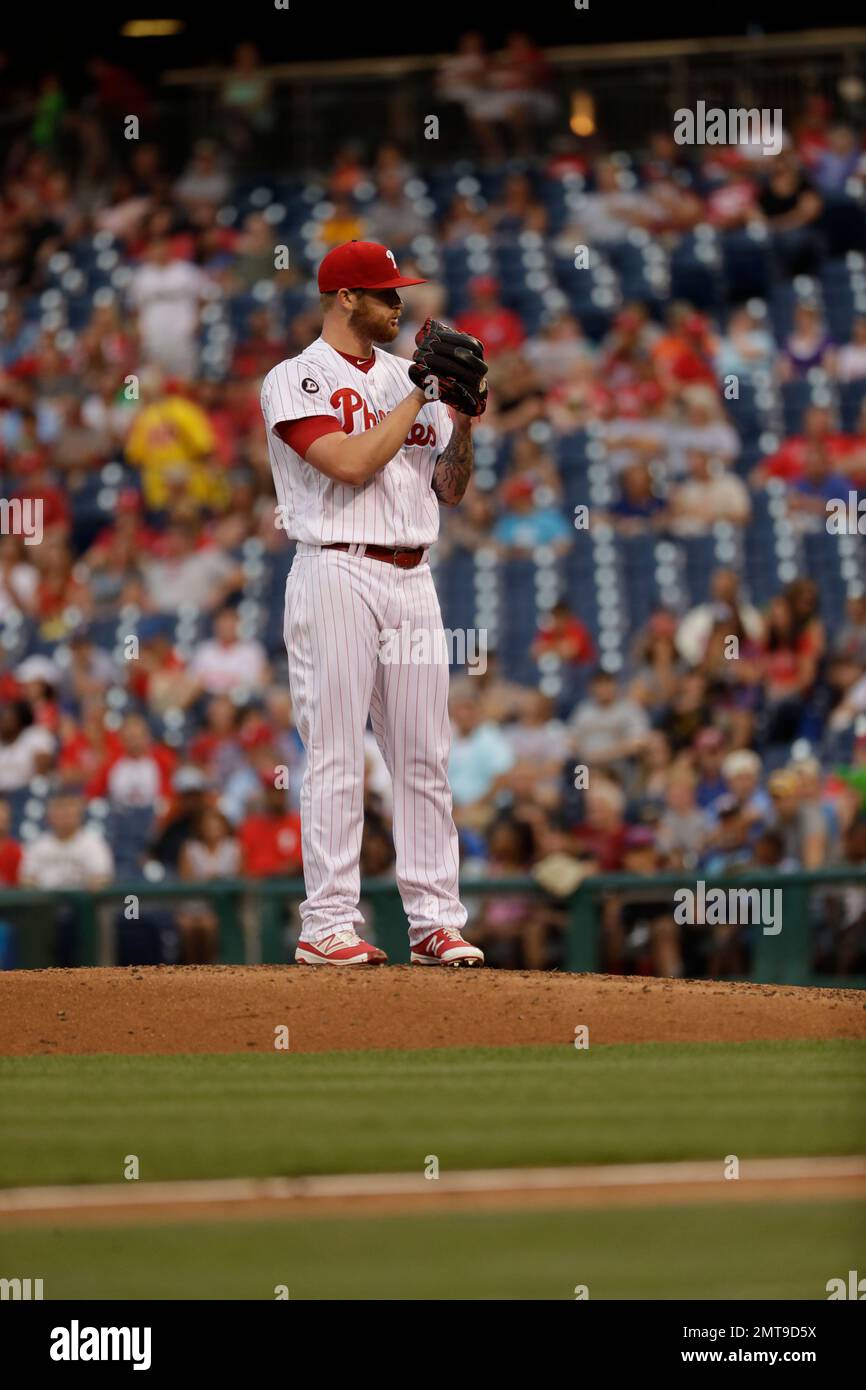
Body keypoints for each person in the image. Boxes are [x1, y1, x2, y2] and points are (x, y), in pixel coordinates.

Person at [259, 240, 486, 966]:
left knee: (424, 755)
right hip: (336, 568)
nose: (399, 305)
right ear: (346, 298)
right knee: (335, 750)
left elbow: (449, 488)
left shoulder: (407, 374)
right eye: (385, 294)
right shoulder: (296, 379)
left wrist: (465, 415)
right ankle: (327, 923)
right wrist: (422, 390)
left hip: (414, 574)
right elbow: (351, 465)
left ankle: (434, 921)